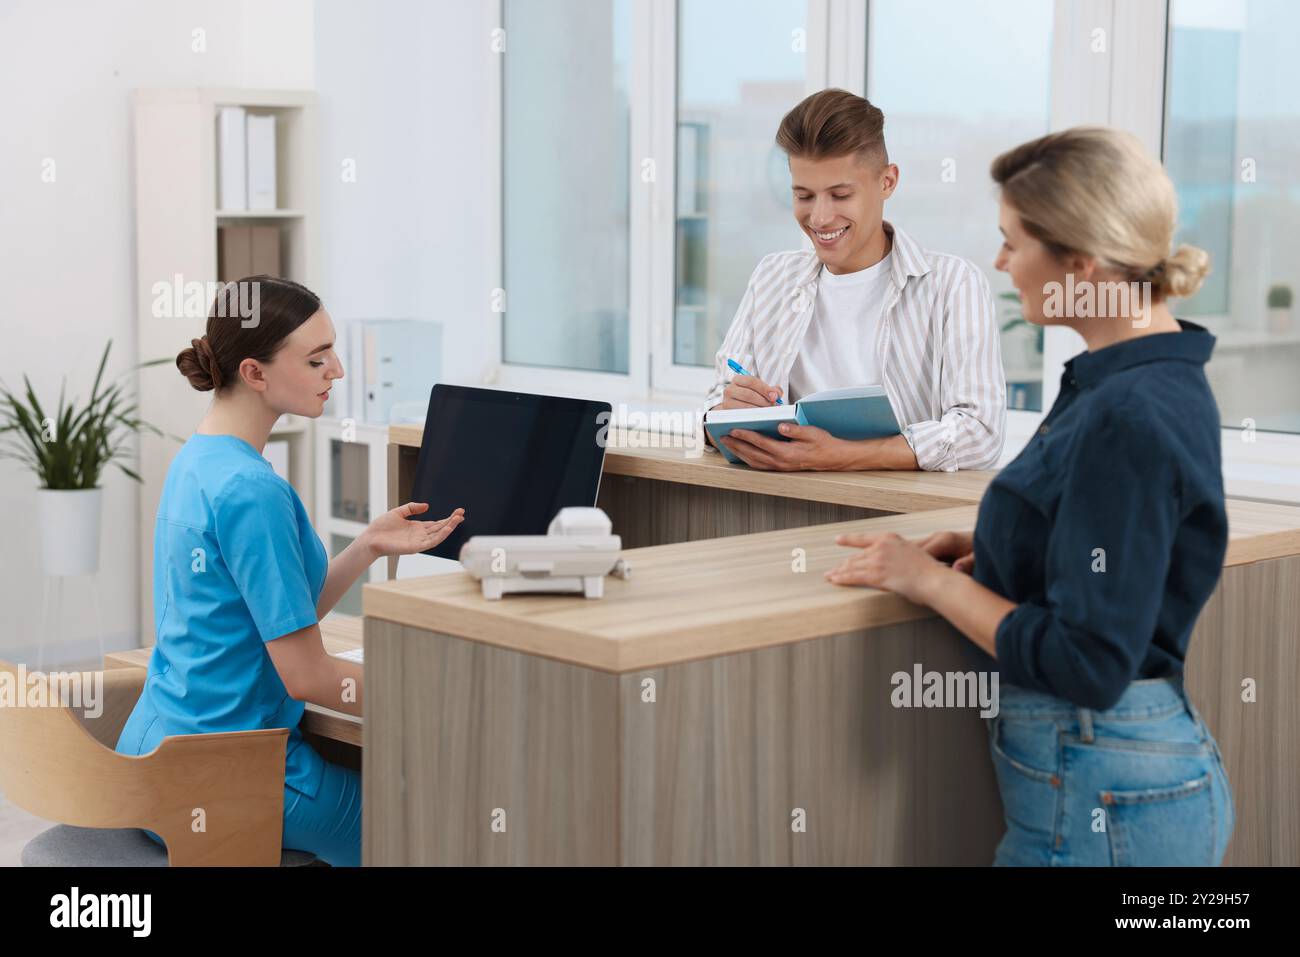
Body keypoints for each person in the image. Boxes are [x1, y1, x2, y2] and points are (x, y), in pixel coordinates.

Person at [825, 127, 1234, 865]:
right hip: (1112, 780)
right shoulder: (1129, 377)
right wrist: (996, 552)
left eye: (1013, 242)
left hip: (1105, 789)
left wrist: (925, 582)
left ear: (1078, 261)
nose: (1000, 262)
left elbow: (1090, 660)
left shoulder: (1130, 411)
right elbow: (1112, 554)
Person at [115, 276, 464, 866]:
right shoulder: (252, 491)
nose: (339, 371)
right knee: (436, 821)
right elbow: (305, 677)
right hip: (235, 772)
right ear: (255, 373)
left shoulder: (199, 459)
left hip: (161, 754)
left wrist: (367, 546)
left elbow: (272, 617)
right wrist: (432, 701)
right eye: (316, 358)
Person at [704, 88, 1005, 472]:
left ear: (887, 182)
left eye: (840, 194)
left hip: (896, 520)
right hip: (777, 504)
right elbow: (714, 401)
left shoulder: (953, 284)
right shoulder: (772, 276)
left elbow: (981, 435)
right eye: (804, 196)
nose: (820, 218)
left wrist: (844, 456)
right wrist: (724, 413)